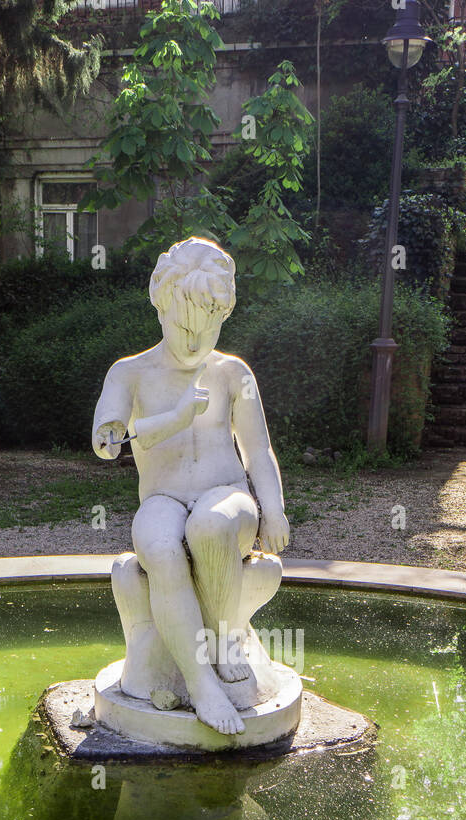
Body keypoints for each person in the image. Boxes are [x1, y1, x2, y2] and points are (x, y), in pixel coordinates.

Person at [92, 237, 290, 736]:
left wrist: (275, 510)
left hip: (226, 492)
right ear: (160, 305)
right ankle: (200, 684)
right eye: (184, 325)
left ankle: (225, 640)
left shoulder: (232, 373)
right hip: (161, 498)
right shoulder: (130, 372)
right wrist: (146, 424)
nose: (195, 339)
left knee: (212, 524)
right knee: (157, 544)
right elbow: (106, 442)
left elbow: (257, 450)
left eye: (210, 325)